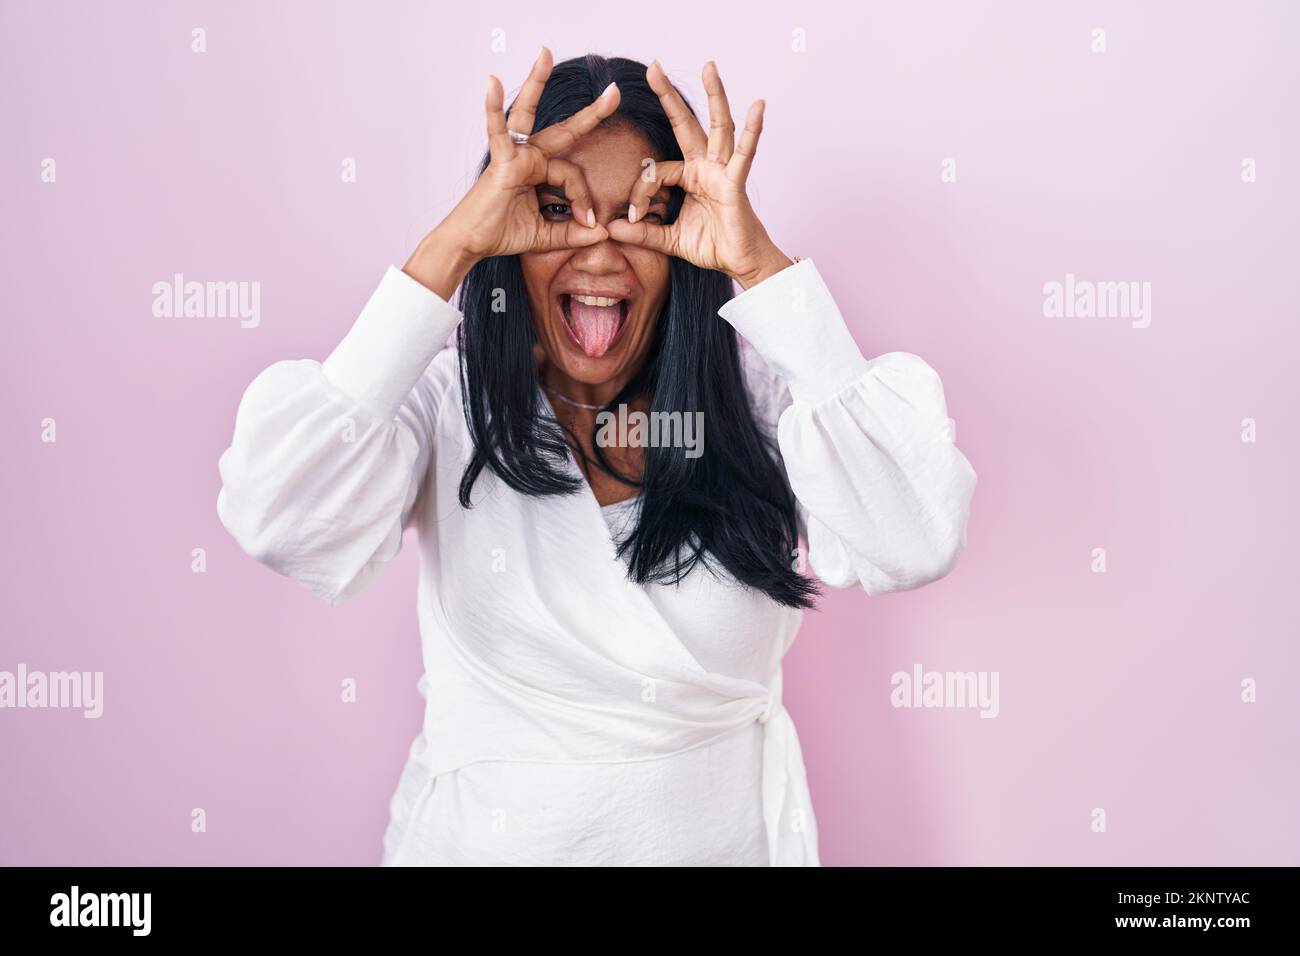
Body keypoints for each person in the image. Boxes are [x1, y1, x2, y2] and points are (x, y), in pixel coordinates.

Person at [216, 49, 977, 866]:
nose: (602, 253)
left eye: (641, 215)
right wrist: (451, 250)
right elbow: (280, 519)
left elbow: (913, 538)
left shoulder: (760, 400)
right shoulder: (447, 399)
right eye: (556, 209)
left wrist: (760, 265)